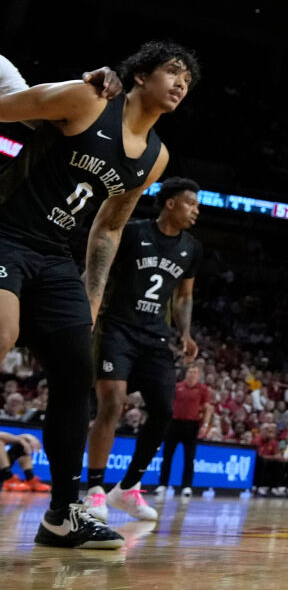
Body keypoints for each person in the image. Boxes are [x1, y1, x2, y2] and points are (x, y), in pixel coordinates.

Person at [0, 41, 196, 549]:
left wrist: (90, 295)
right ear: (139, 76)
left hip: (53, 253)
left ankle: (63, 513)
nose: (181, 84)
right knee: (3, 333)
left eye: (188, 82)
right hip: (5, 231)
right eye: (173, 72)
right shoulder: (88, 100)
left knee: (75, 372)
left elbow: (108, 228)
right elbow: (11, 103)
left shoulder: (156, 157)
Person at [82, 176, 203, 523]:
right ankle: (94, 491)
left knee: (165, 411)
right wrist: (89, 309)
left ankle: (128, 488)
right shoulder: (133, 232)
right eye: (190, 204)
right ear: (169, 203)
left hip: (156, 337)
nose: (196, 211)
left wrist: (185, 332)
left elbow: (184, 296)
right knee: (112, 403)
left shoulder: (192, 248)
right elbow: (97, 270)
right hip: (116, 328)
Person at [160, 362, 213, 497]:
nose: (192, 374)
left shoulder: (203, 389)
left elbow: (208, 409)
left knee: (189, 458)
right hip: (174, 423)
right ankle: (162, 485)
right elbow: (168, 404)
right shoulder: (177, 387)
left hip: (191, 425)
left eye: (195, 372)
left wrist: (205, 426)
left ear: (199, 375)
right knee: (167, 456)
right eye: (190, 372)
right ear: (186, 373)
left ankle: (186, 486)